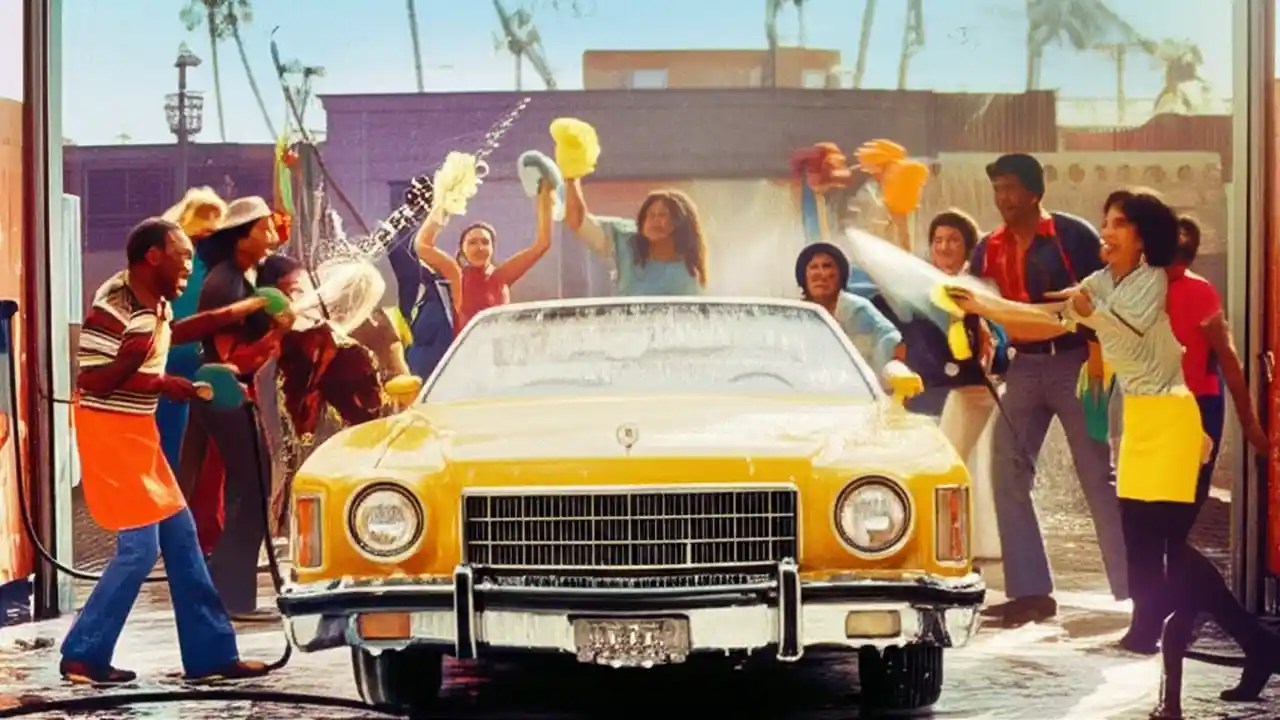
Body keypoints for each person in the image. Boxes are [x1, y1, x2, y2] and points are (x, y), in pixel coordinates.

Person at [948, 190, 1280, 712]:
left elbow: (1110, 322)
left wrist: (1081, 310)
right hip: (1141, 425)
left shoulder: (1151, 286)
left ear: (1144, 237)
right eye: (1106, 221)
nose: (1106, 231)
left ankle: (1184, 669)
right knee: (1150, 558)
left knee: (1168, 555)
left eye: (1119, 223)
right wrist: (981, 303)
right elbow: (1047, 316)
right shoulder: (1103, 282)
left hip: (1173, 421)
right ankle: (1252, 642)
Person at [62, 216, 272, 685]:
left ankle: (211, 655)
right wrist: (161, 382)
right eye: (181, 257)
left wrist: (240, 311)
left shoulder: (155, 303)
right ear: (152, 256)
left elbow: (174, 333)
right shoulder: (114, 307)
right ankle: (83, 654)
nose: (188, 268)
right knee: (139, 549)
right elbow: (91, 380)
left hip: (139, 431)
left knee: (182, 539)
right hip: (110, 432)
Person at [967, 153, 1128, 625]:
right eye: (998, 188)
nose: (1004, 198)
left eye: (1012, 188)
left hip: (1082, 366)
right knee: (1006, 472)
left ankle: (1136, 590)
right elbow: (978, 308)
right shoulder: (989, 246)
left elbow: (1103, 293)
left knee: (1099, 478)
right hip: (1023, 369)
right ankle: (1031, 592)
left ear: (1035, 193)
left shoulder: (1073, 235)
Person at [178, 196, 293, 620]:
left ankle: (229, 592)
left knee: (249, 488)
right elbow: (235, 356)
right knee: (253, 487)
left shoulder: (240, 276)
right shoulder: (226, 283)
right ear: (241, 236)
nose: (271, 235)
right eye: (263, 228)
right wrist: (276, 335)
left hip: (226, 390)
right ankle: (232, 597)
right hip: (225, 388)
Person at [414, 180, 555, 332]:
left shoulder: (501, 275)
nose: (479, 247)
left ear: (493, 248)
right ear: (462, 249)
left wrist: (545, 195)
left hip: (499, 349)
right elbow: (422, 246)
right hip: (466, 351)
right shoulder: (455, 274)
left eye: (485, 242)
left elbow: (542, 244)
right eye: (472, 242)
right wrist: (446, 204)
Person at [156, 188, 227, 471]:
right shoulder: (193, 265)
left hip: (191, 368)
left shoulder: (209, 265)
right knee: (175, 459)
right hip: (174, 369)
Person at [565, 179, 707, 296]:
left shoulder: (688, 276)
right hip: (627, 327)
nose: (655, 220)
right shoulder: (626, 240)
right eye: (650, 214)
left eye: (663, 215)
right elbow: (577, 221)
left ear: (681, 224)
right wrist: (571, 175)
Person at [795, 242, 903, 378]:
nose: (821, 274)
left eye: (827, 266)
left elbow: (891, 339)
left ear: (841, 275)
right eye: (813, 267)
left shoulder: (858, 310)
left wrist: (878, 377)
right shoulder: (797, 315)